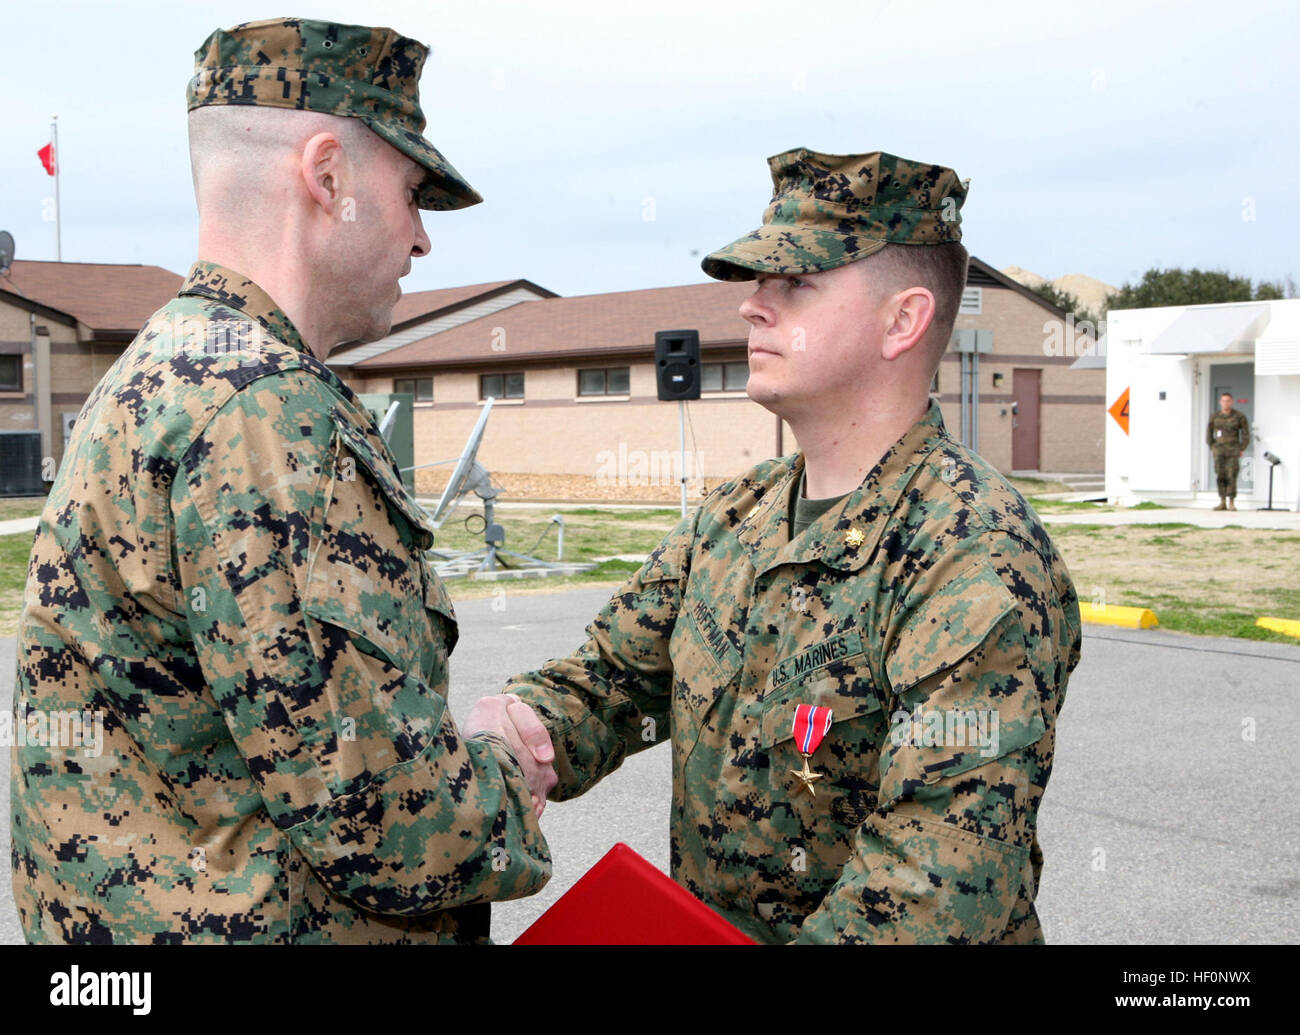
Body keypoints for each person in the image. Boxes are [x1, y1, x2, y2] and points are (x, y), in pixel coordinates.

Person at [10, 17, 556, 945]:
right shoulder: (266, 410)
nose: (421, 240)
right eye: (413, 192)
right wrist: (509, 773)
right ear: (327, 176)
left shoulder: (160, 371)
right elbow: (381, 819)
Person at [470, 149, 1082, 944]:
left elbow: (932, 887)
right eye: (758, 286)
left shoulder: (971, 553)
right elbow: (613, 681)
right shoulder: (736, 517)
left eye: (794, 285)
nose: (752, 308)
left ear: (903, 320)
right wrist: (519, 732)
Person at [1207, 391, 1250, 510]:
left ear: (1232, 402)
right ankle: (1222, 501)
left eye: (1228, 401)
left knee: (1232, 475)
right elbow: (1209, 432)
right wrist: (1212, 447)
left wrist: (1242, 448)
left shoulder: (1239, 416)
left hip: (1233, 450)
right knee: (1220, 475)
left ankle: (1231, 502)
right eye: (1223, 401)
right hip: (1219, 450)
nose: (1225, 403)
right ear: (1220, 402)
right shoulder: (1215, 417)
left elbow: (1245, 434)